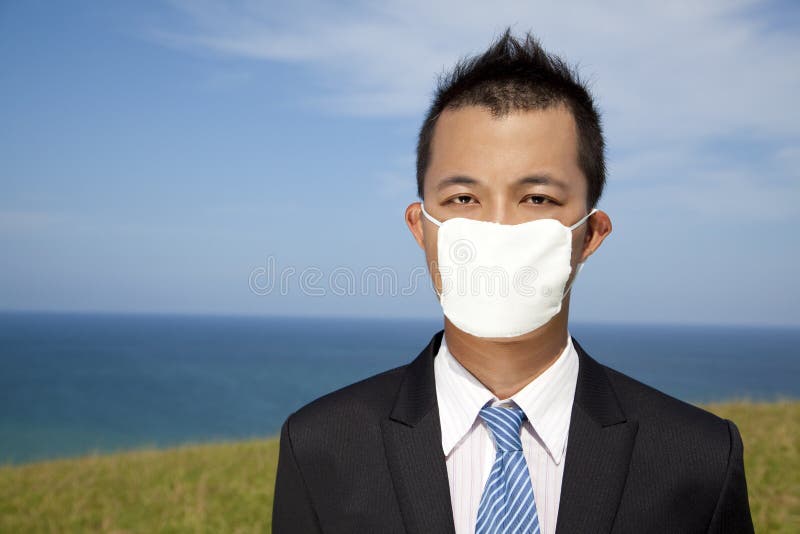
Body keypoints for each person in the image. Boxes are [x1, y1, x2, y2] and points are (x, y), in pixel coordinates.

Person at [272, 28, 754, 533]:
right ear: (421, 227)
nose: (497, 229)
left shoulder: (699, 458)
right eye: (463, 199)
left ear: (591, 233)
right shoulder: (319, 446)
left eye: (537, 199)